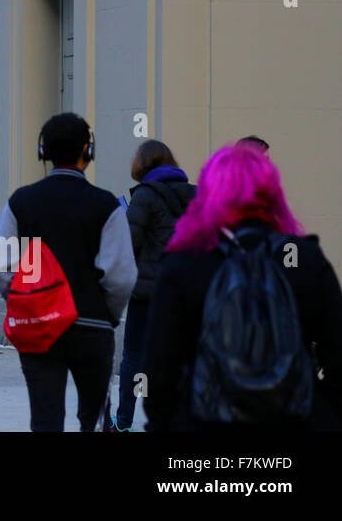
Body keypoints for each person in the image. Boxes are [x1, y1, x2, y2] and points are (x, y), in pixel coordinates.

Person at [144, 145, 342, 431]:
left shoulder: (182, 265)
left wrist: (168, 422)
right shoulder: (306, 260)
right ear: (272, 193)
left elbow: (158, 368)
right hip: (296, 418)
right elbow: (336, 356)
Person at [0, 113, 137, 431]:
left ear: (43, 152)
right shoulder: (106, 206)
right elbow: (121, 276)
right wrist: (106, 314)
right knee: (93, 419)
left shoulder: (21, 203)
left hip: (39, 328)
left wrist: (26, 301)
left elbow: (4, 270)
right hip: (93, 327)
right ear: (88, 151)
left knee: (45, 420)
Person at [111, 139, 196, 431]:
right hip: (185, 292)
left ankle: (124, 421)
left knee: (134, 358)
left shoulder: (145, 196)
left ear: (143, 164)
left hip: (147, 293)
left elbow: (128, 246)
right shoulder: (196, 195)